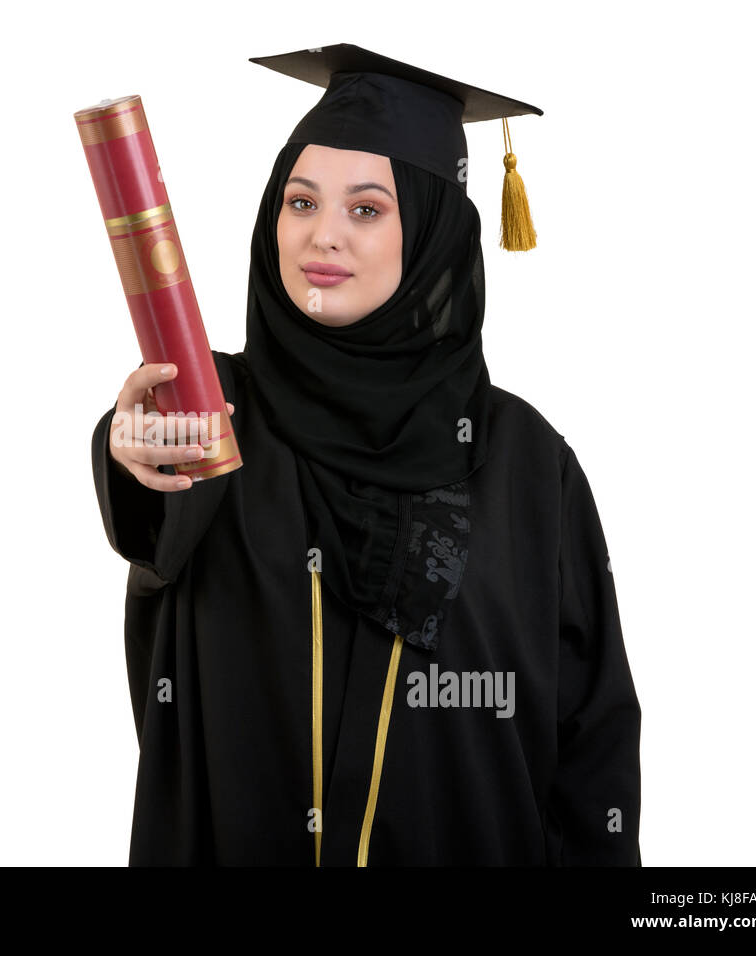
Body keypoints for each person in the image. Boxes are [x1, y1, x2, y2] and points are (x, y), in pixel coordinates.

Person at [90, 44, 641, 866]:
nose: (321, 236)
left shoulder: (528, 464)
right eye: (301, 200)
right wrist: (127, 444)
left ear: (432, 234)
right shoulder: (213, 411)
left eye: (367, 210)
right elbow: (151, 505)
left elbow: (591, 737)